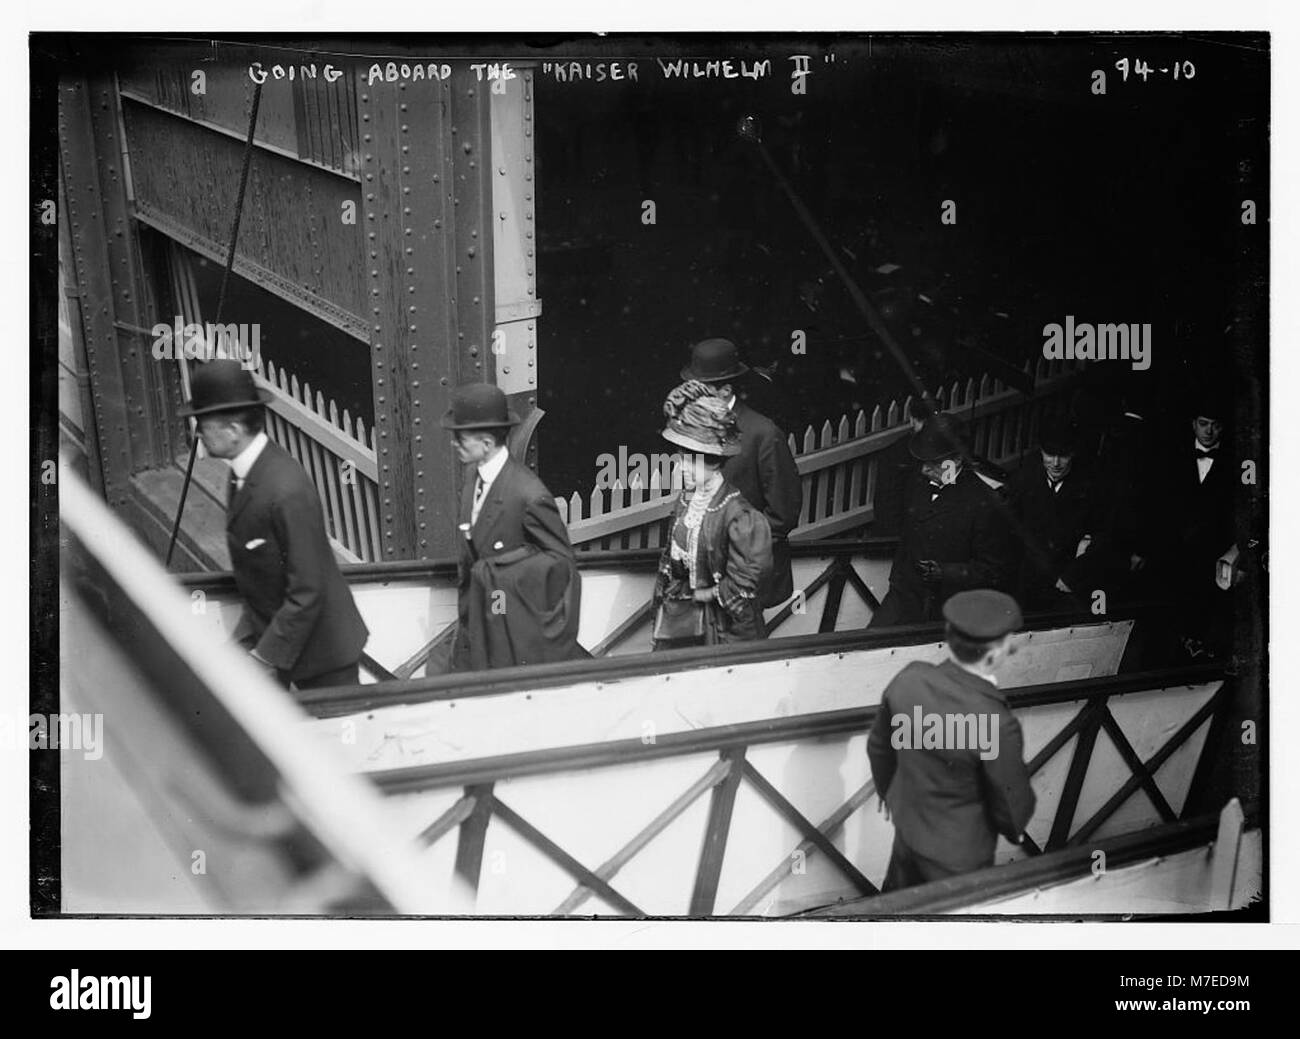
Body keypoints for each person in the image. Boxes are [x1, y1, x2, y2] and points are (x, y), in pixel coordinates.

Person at [182, 360, 368, 689]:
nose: (197, 432)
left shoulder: (284, 489)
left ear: (233, 431)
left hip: (324, 659)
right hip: (289, 647)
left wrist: (263, 658)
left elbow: (308, 589)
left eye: (202, 423)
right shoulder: (247, 474)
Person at [867, 589, 1037, 891]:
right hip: (960, 859)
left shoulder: (909, 679)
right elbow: (1010, 802)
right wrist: (1015, 831)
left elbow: (879, 747)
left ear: (949, 634)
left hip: (907, 838)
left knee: (893, 921)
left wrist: (889, 794)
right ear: (994, 654)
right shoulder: (996, 721)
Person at [442, 383, 585, 670]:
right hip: (476, 622)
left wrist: (504, 572)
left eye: (460, 437)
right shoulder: (473, 477)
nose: (453, 443)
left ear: (486, 442)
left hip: (510, 628)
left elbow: (562, 563)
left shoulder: (528, 494)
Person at [651, 380, 774, 649]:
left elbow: (748, 582)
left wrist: (706, 595)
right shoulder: (685, 501)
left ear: (713, 460)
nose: (681, 466)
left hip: (725, 631)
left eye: (689, 460)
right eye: (680, 457)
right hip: (684, 624)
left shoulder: (738, 515)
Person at [680, 338, 802, 608]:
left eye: (699, 390)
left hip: (748, 579)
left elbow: (783, 515)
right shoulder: (694, 429)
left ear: (724, 391)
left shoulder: (764, 434)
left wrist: (731, 553)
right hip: (703, 578)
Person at [869, 413, 1013, 627]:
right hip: (904, 596)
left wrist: (945, 572)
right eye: (922, 462)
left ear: (956, 460)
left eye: (934, 463)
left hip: (948, 609)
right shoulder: (918, 483)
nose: (924, 469)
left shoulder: (984, 502)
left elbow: (992, 571)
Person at [1006, 418, 1100, 612]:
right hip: (1028, 579)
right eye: (1050, 454)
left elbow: (1101, 538)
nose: (1056, 463)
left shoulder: (1090, 489)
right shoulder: (1024, 480)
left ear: (1073, 453)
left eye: (1063, 455)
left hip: (1066, 582)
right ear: (1041, 451)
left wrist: (1073, 576)